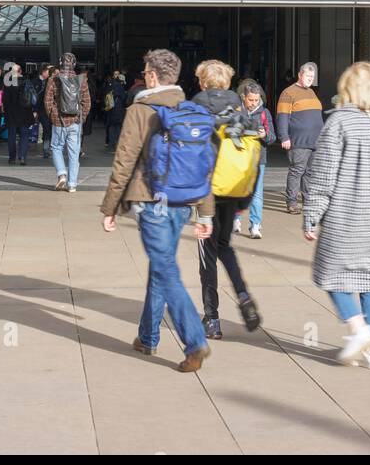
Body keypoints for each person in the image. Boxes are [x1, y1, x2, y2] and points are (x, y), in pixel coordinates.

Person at [100, 48, 215, 373]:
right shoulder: (191, 109)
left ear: (151, 76)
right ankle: (147, 337)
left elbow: (124, 161)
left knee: (165, 269)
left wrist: (110, 207)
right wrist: (205, 212)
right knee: (161, 265)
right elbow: (206, 163)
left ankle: (195, 342)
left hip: (150, 201)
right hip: (183, 202)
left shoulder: (140, 109)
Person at [304, 62, 370, 370]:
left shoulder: (338, 124)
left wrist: (311, 215)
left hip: (345, 216)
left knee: (328, 275)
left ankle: (359, 330)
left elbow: (322, 176)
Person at [191, 60, 262, 340]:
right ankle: (243, 295)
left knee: (207, 255)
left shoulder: (197, 103)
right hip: (233, 187)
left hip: (209, 187)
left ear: (203, 82)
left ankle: (212, 318)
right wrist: (246, 197)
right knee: (225, 247)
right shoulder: (238, 104)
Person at [276, 61, 323, 214]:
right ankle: (292, 202)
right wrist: (284, 137)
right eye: (308, 76)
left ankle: (308, 200)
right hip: (299, 141)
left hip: (314, 141)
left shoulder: (311, 92)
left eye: (312, 77)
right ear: (300, 75)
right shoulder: (288, 93)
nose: (310, 79)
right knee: (297, 171)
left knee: (309, 172)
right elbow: (282, 116)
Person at [234, 79, 275, 239]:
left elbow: (272, 138)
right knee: (238, 191)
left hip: (259, 159)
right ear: (244, 97)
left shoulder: (265, 113)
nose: (253, 103)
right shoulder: (237, 111)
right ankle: (236, 219)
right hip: (239, 158)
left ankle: (255, 225)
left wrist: (265, 135)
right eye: (250, 99)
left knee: (257, 194)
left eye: (256, 100)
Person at [45, 51, 90, 192]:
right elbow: (87, 102)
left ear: (60, 63)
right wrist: (80, 118)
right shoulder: (81, 80)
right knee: (74, 153)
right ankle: (72, 184)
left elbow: (47, 100)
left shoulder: (54, 79)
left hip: (59, 121)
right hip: (75, 122)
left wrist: (53, 116)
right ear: (74, 64)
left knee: (56, 148)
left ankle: (62, 174)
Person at [3, 63, 35, 166]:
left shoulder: (8, 83)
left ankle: (12, 158)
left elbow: (5, 100)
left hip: (12, 113)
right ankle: (22, 157)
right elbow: (32, 97)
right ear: (20, 71)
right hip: (25, 112)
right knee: (24, 135)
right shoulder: (27, 81)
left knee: (11, 135)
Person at [103, 70, 127, 148]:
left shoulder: (111, 84)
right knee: (118, 126)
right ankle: (117, 143)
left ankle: (111, 143)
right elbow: (123, 98)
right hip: (118, 108)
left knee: (112, 126)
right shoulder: (120, 86)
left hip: (111, 107)